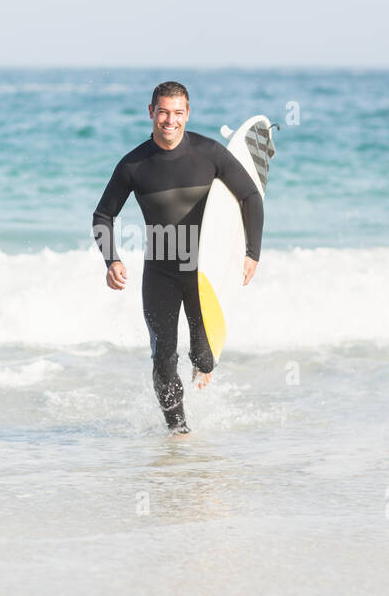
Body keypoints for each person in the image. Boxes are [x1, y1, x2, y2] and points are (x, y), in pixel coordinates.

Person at [92, 81, 264, 435]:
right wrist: (112, 259)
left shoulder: (209, 153)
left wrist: (251, 253)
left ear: (188, 113)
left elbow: (250, 196)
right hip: (160, 270)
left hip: (203, 272)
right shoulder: (134, 165)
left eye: (178, 112)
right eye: (164, 112)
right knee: (163, 360)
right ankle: (179, 432)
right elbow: (102, 216)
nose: (170, 120)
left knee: (203, 355)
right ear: (151, 112)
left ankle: (205, 364)